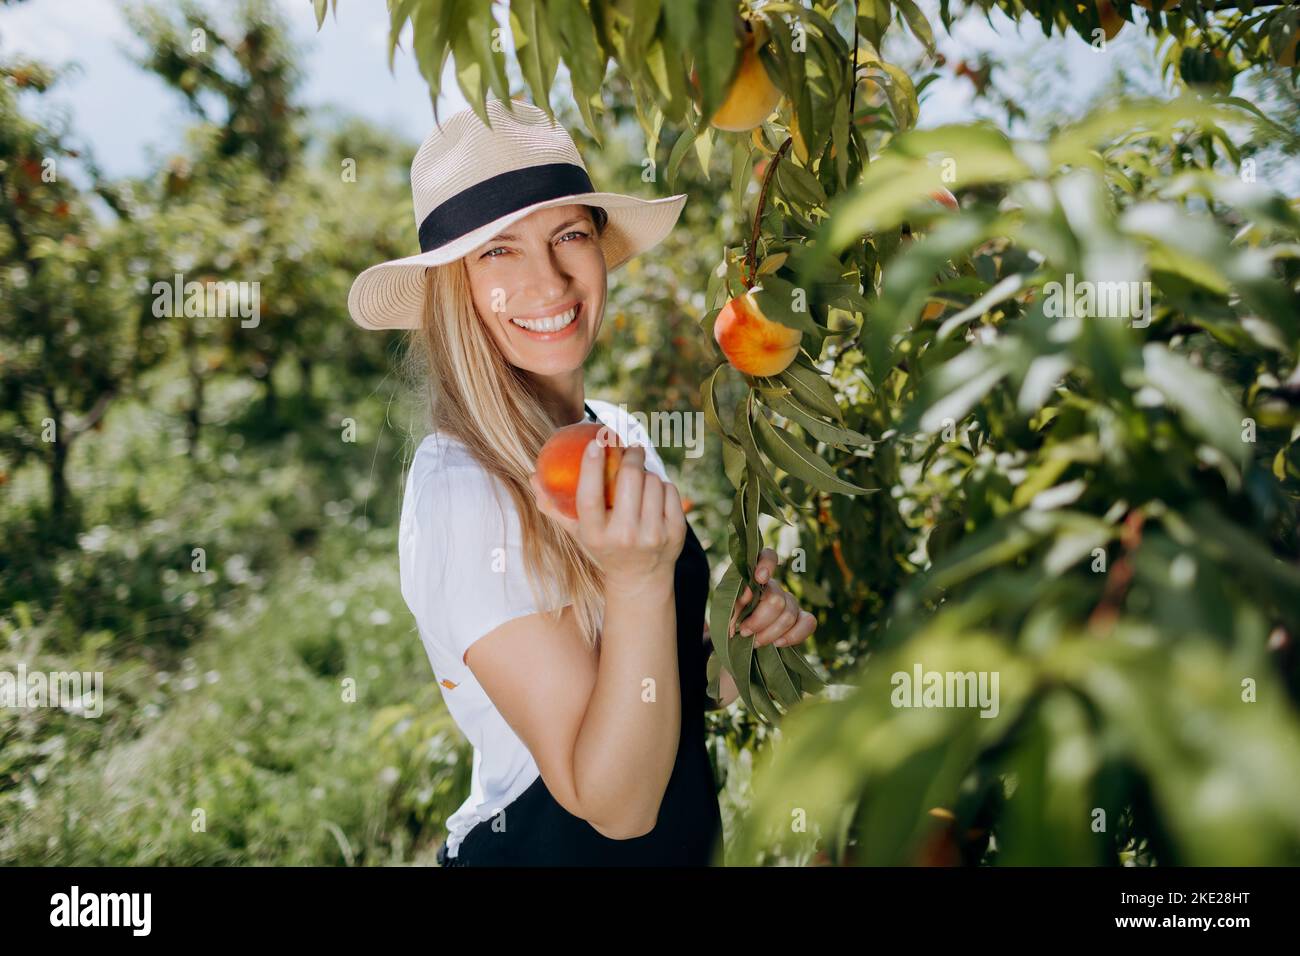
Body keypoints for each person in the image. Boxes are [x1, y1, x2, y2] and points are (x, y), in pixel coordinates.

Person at [347, 96, 818, 866]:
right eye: (499, 250)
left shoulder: (620, 432)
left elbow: (664, 690)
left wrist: (742, 646)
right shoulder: (465, 488)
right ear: (456, 289)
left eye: (569, 233)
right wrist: (637, 583)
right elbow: (617, 804)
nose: (549, 279)